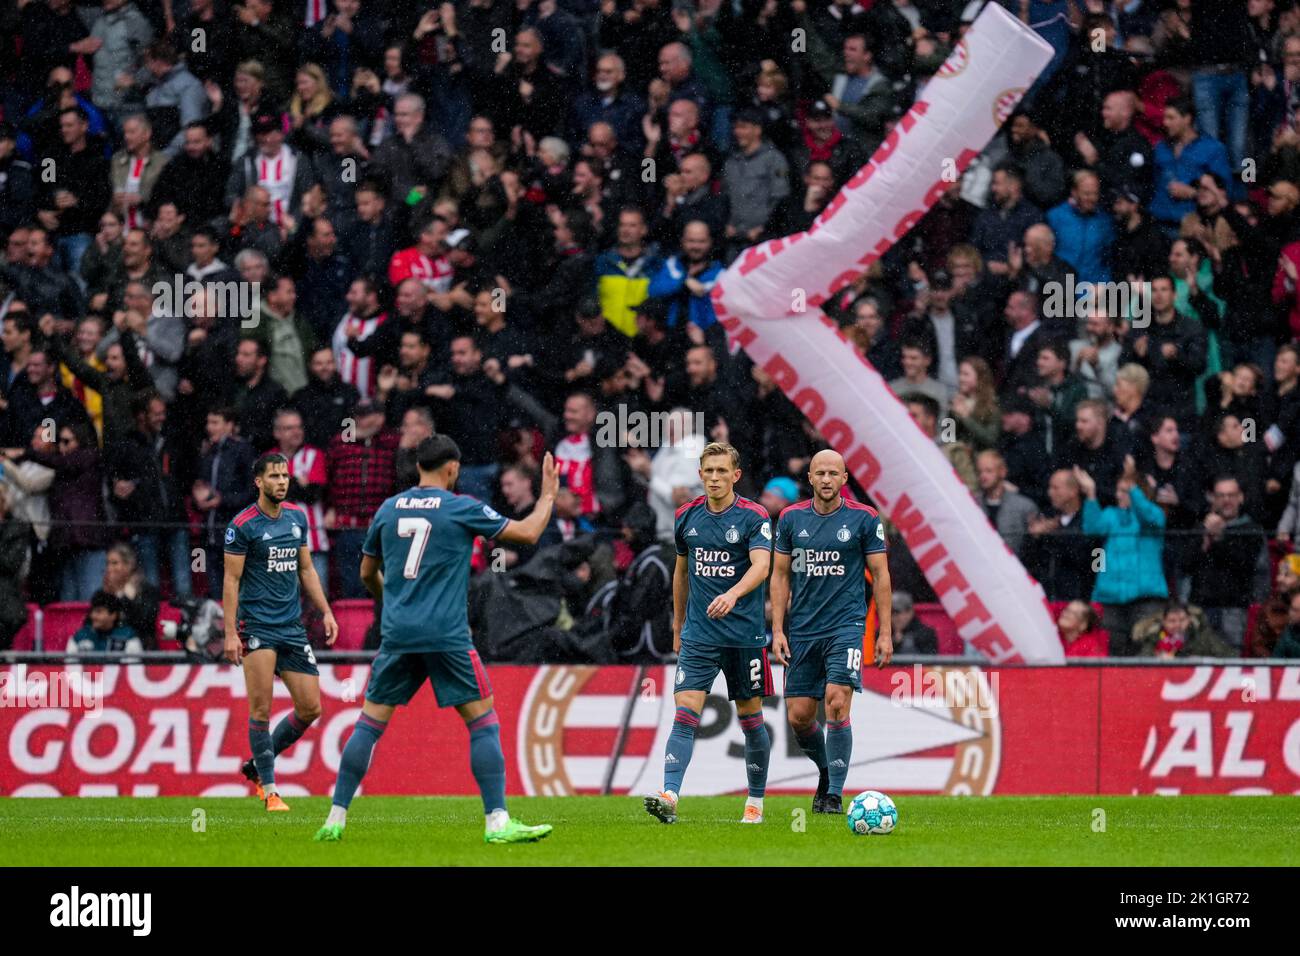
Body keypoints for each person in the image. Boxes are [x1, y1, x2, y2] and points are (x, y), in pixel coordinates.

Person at [314, 436, 560, 845]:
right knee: (483, 722)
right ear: (452, 468)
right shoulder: (461, 507)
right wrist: (548, 495)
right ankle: (497, 822)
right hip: (446, 635)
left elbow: (364, 573)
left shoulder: (388, 509)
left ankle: (335, 818)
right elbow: (529, 533)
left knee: (370, 723)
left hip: (397, 634)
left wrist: (392, 603)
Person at [645, 442, 773, 826]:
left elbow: (763, 565)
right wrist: (677, 623)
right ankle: (669, 794)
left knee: (751, 719)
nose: (714, 478)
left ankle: (755, 801)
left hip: (744, 637)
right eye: (708, 471)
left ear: (735, 475)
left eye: (722, 472)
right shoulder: (687, 517)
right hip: (700, 635)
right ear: (700, 475)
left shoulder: (754, 517)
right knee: (685, 713)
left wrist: (733, 594)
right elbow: (681, 573)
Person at [770, 449, 892, 815]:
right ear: (809, 478)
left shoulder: (865, 519)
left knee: (837, 702)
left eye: (833, 474)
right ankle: (826, 773)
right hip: (803, 629)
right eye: (819, 473)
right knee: (800, 716)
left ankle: (835, 795)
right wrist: (777, 629)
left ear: (843, 479)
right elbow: (779, 575)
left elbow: (882, 576)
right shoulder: (790, 519)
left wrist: (884, 633)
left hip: (846, 625)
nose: (826, 479)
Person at [223, 452, 338, 812]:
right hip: (257, 626)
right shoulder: (242, 525)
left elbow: (306, 570)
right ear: (258, 482)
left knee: (310, 708)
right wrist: (230, 633)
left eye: (285, 476)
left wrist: (326, 611)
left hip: (292, 627)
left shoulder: (296, 518)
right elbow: (231, 580)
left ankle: (257, 765)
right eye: (274, 476)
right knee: (261, 709)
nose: (282, 482)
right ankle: (270, 789)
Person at [1078, 466, 1169, 656]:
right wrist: (1091, 493)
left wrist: (1134, 490)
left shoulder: (1154, 514)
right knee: (1113, 654)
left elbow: (1148, 515)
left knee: (1146, 651)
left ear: (1140, 492)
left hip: (1146, 597)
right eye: (1118, 490)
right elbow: (1092, 529)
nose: (1119, 495)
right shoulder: (1111, 514)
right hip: (1110, 597)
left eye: (1124, 491)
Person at [66, 591, 142, 661]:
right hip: (84, 676)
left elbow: (133, 669)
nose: (93, 616)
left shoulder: (128, 637)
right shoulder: (80, 636)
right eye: (92, 611)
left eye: (99, 612)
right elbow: (70, 668)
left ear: (113, 615)